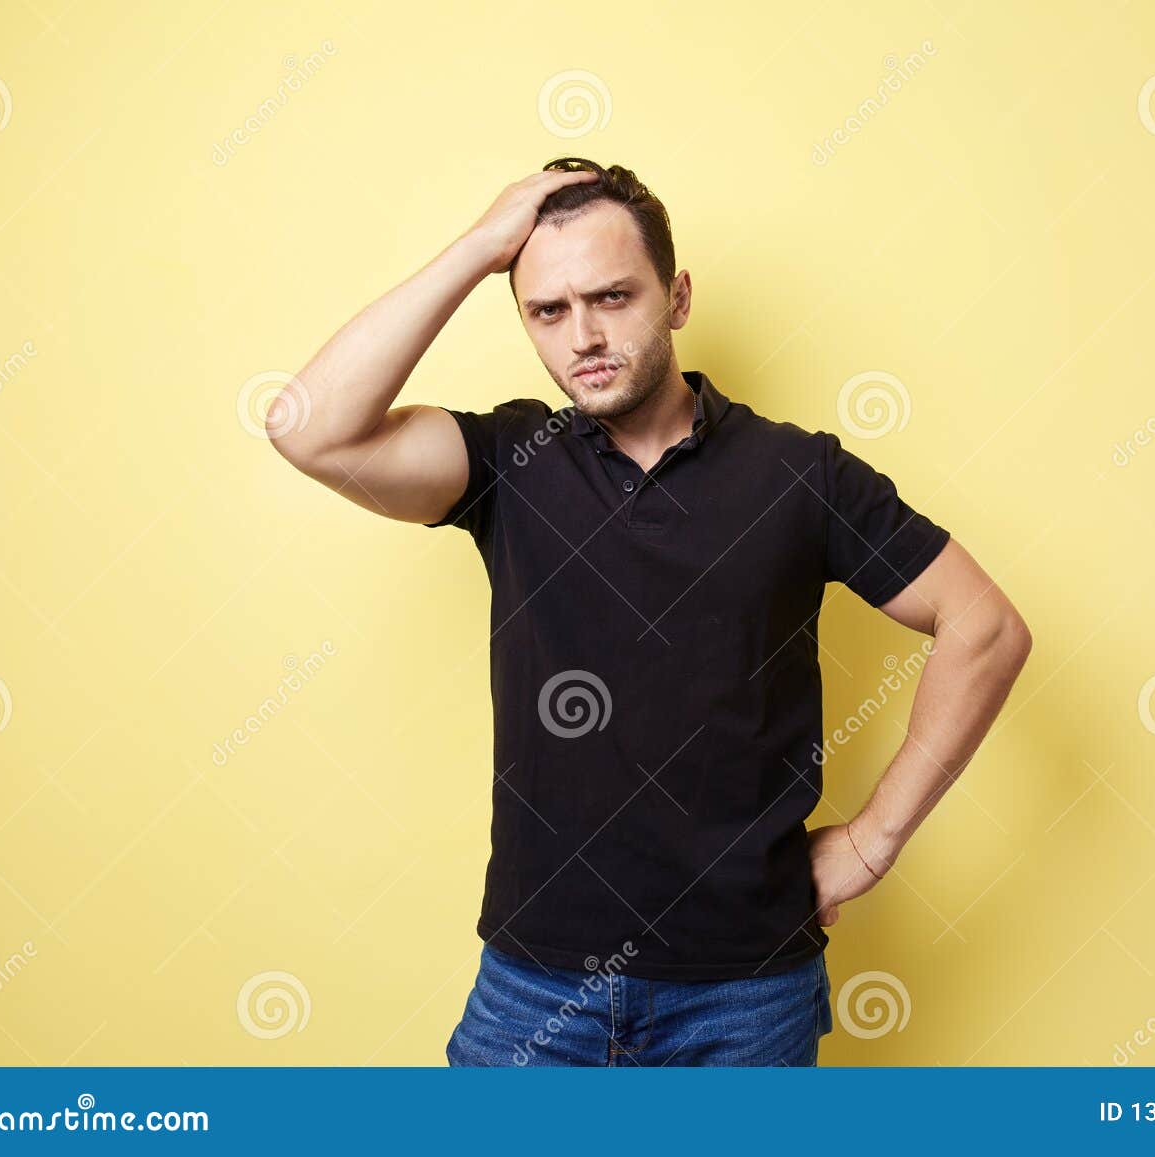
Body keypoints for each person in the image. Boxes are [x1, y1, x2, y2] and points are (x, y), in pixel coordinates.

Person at [266, 158, 1032, 1066]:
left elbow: (985, 627)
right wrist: (479, 248)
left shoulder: (800, 474)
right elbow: (307, 428)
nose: (582, 335)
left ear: (677, 298)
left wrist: (874, 840)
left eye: (611, 297)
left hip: (745, 997)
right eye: (547, 311)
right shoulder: (511, 459)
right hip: (534, 985)